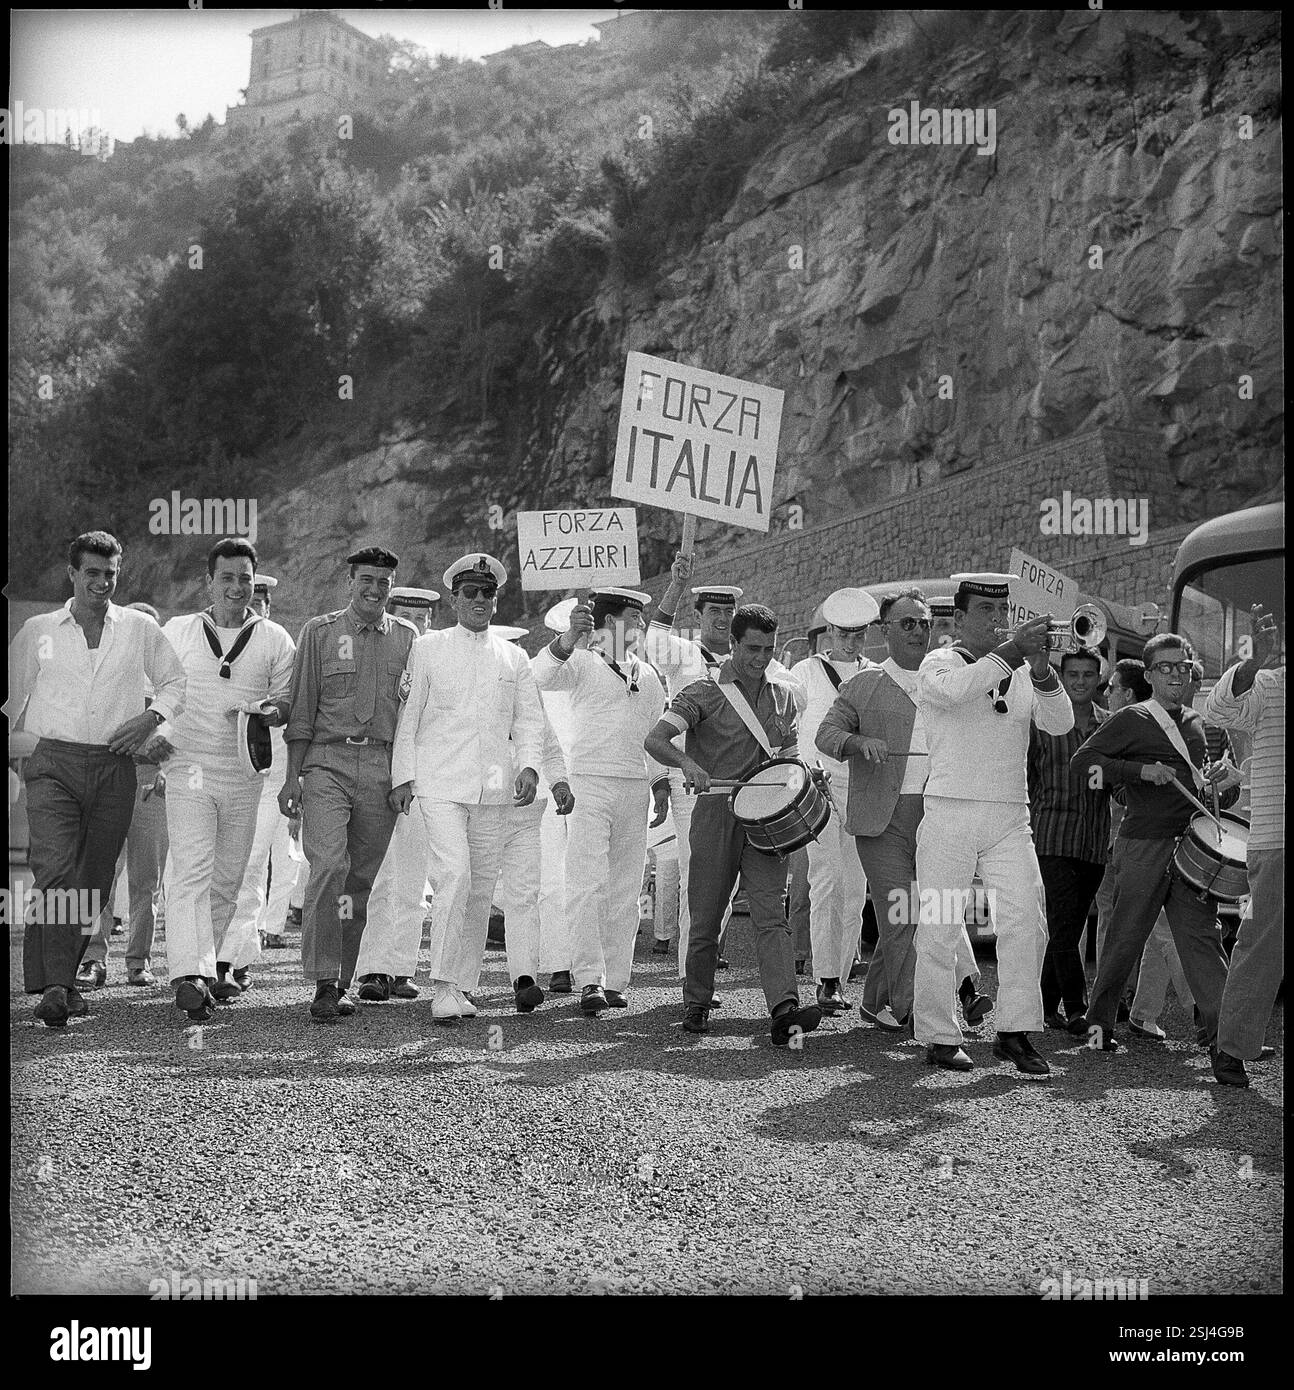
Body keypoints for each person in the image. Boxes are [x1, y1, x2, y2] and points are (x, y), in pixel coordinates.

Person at [8, 535, 186, 1027]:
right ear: (72, 573)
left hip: (114, 765)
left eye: (110, 574)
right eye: (92, 572)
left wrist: (151, 719)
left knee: (93, 879)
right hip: (52, 765)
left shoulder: (139, 629)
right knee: (56, 867)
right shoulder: (39, 630)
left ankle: (55, 982)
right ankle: (60, 986)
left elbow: (175, 682)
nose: (102, 583)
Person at [914, 573, 1073, 1076]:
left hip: (1010, 814)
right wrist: (1012, 651)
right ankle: (940, 1035)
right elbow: (959, 692)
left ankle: (1015, 1030)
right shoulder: (939, 662)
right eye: (985, 611)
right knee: (939, 925)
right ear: (957, 620)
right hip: (948, 810)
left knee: (1028, 920)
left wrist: (1044, 670)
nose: (997, 620)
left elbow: (1061, 723)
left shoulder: (1021, 668)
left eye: (1002, 612)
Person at [645, 603, 823, 1044]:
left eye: (768, 648)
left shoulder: (783, 696)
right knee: (705, 916)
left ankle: (784, 1006)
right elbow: (655, 739)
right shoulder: (702, 692)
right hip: (715, 815)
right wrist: (687, 764)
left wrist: (803, 774)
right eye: (752, 648)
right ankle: (697, 1001)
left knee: (770, 913)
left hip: (765, 821)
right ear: (733, 644)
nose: (761, 658)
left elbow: (788, 755)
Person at [816, 587, 990, 1035]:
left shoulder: (948, 677)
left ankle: (876, 1004)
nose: (918, 631)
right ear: (885, 631)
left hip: (938, 814)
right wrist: (857, 742)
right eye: (907, 623)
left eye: (925, 624)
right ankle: (919, 1011)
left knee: (936, 909)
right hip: (882, 818)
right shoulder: (865, 683)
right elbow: (826, 735)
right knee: (901, 914)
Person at [1070, 633, 1240, 1060]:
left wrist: (1225, 785)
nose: (1176, 675)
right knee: (1125, 940)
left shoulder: (1199, 725)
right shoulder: (1131, 718)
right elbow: (1084, 768)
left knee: (1203, 940)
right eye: (1165, 668)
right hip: (1142, 845)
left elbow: (1207, 800)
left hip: (1189, 851)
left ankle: (1227, 1043)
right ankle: (1097, 1029)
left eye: (1182, 667)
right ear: (1149, 675)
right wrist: (1139, 771)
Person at [390, 553, 544, 1023]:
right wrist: (403, 776)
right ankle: (440, 985)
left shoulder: (513, 656)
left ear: (496, 602)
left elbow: (529, 720)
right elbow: (409, 714)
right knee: (453, 876)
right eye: (470, 593)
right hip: (438, 783)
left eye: (487, 593)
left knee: (478, 891)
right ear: (454, 599)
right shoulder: (429, 647)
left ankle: (461, 985)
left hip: (492, 790)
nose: (479, 600)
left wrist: (531, 767)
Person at [645, 554, 806, 974]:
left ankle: (706, 961)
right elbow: (651, 641)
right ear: (697, 616)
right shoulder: (683, 653)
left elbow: (790, 702)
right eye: (713, 611)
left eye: (727, 612)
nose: (720, 618)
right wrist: (676, 586)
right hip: (698, 784)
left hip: (752, 791)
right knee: (695, 880)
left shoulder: (761, 661)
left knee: (733, 887)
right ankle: (689, 974)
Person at [160, 539, 297, 1021]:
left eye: (245, 578)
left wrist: (269, 710)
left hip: (244, 771)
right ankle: (188, 973)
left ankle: (207, 965)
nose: (237, 587)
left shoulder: (275, 638)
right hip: (188, 765)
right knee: (192, 868)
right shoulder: (178, 630)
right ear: (209, 581)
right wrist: (155, 742)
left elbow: (288, 700)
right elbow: (152, 686)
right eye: (227, 578)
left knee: (228, 878)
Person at [282, 546, 418, 1023]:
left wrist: (403, 777)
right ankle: (322, 980)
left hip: (380, 767)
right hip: (327, 763)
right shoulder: (320, 634)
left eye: (383, 582)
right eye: (366, 580)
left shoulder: (407, 638)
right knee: (328, 865)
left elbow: (411, 719)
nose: (374, 590)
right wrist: (290, 780)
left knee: (359, 879)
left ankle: (341, 980)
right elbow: (300, 711)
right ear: (349, 583)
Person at [534, 588, 670, 1016]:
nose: (643, 626)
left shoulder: (647, 675)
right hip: (589, 782)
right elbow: (540, 676)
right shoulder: (582, 663)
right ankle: (588, 977)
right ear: (610, 623)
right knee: (586, 882)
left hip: (634, 785)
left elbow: (655, 735)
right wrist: (569, 638)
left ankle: (616, 979)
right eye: (635, 617)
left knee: (626, 888)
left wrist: (661, 781)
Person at [1204, 604, 1285, 1086]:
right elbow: (1218, 709)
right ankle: (1231, 1047)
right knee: (1261, 944)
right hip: (1275, 840)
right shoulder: (1271, 684)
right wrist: (1255, 660)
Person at [77, 601, 172, 989]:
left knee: (147, 879)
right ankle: (92, 959)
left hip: (151, 781)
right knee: (99, 874)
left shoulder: (169, 683)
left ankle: (139, 961)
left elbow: (182, 731)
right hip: (109, 779)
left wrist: (167, 770)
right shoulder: (105, 675)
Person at [354, 586, 442, 1002]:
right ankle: (372, 968)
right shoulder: (377, 660)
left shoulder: (442, 663)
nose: (416, 627)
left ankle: (402, 967)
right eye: (407, 618)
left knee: (412, 879)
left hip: (427, 781)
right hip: (379, 778)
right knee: (378, 878)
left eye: (423, 619)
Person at [797, 587, 878, 1014]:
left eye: (859, 634)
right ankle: (825, 978)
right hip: (818, 787)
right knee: (824, 881)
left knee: (855, 887)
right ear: (828, 631)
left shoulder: (875, 673)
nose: (851, 641)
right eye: (843, 633)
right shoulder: (806, 671)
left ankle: (843, 976)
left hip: (863, 789)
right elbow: (788, 728)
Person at [488, 625, 575, 1012]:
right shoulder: (473, 693)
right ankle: (458, 981)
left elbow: (548, 742)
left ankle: (524, 978)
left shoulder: (528, 692)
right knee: (474, 892)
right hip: (479, 808)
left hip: (527, 810)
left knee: (527, 891)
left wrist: (557, 783)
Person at [1027, 646, 1111, 1034]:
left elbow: (1117, 785)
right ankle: (1078, 1009)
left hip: (1093, 841)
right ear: (1062, 677)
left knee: (1069, 929)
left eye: (1087, 675)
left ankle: (1043, 1007)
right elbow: (1027, 778)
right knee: (1061, 925)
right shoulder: (1042, 722)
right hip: (1051, 836)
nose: (1079, 681)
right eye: (1072, 674)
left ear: (1099, 679)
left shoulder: (1111, 726)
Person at [224, 574, 297, 971]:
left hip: (274, 780)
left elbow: (296, 717)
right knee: (236, 868)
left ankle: (236, 960)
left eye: (265, 602)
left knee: (258, 867)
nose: (260, 608)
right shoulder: (224, 648)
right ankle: (228, 956)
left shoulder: (281, 649)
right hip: (231, 774)